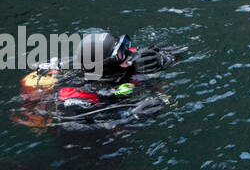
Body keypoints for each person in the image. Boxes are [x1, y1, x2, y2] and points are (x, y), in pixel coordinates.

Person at [16, 31, 182, 128]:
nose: (129, 54)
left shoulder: (123, 61)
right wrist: (131, 116)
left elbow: (180, 53)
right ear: (108, 65)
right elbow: (79, 125)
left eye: (124, 46)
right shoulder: (79, 96)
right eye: (121, 53)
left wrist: (163, 58)